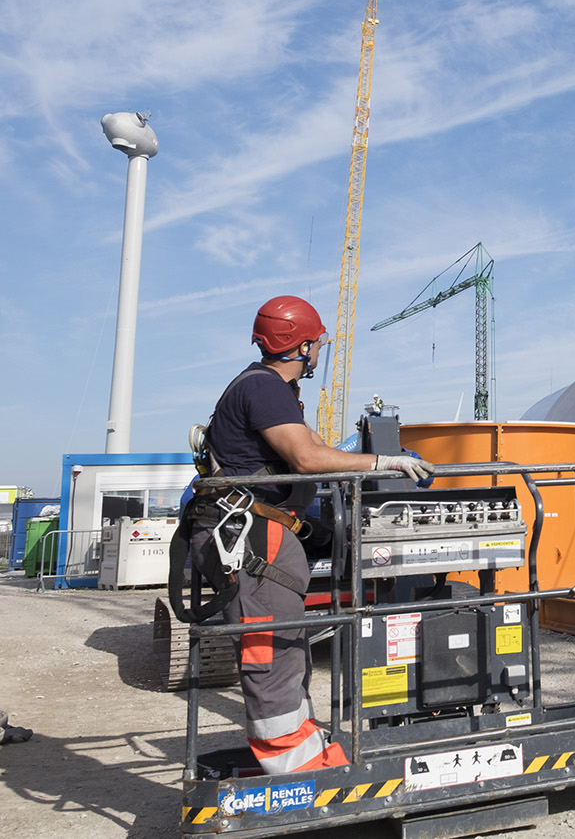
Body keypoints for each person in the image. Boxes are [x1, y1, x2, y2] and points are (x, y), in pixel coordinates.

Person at [181, 295, 433, 773]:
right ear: (300, 345)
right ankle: (294, 770)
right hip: (251, 536)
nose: (320, 352)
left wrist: (357, 463)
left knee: (288, 648)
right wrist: (387, 461)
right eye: (317, 343)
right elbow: (306, 459)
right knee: (270, 651)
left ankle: (304, 749)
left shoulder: (273, 391)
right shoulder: (265, 388)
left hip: (261, 532)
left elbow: (316, 447)